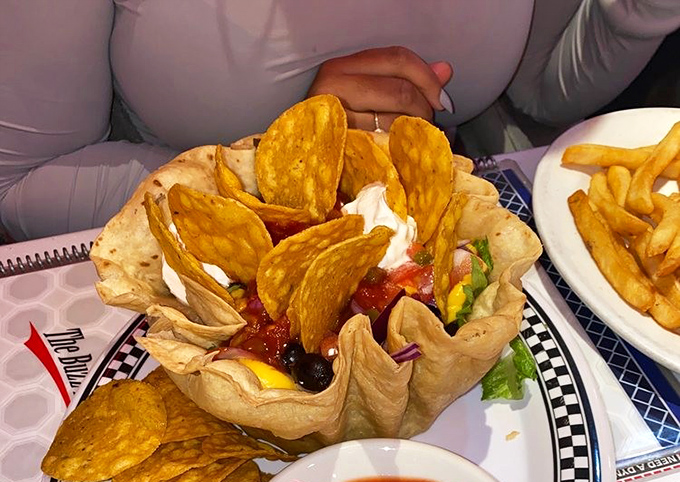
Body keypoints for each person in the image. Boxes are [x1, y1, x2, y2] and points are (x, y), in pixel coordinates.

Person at [1, 0, 679, 242]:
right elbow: (23, 186)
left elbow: (536, 93)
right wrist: (286, 161)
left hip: (435, 259)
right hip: (194, 292)